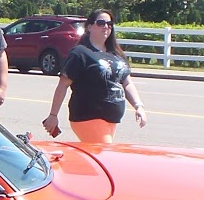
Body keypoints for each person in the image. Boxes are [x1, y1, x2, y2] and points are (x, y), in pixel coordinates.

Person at [42, 8, 148, 143]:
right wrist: (53, 115)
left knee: (97, 157)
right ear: (90, 27)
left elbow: (127, 83)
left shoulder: (116, 54)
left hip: (111, 118)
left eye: (109, 24)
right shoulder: (80, 53)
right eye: (101, 23)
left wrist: (138, 106)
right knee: (105, 154)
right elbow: (63, 85)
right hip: (88, 116)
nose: (106, 27)